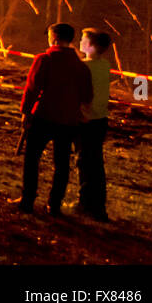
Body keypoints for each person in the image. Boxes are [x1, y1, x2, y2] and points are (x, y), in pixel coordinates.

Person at [18, 22, 93, 216]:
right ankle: (54, 204)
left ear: (55, 38)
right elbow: (87, 96)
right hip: (68, 121)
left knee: (32, 159)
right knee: (61, 164)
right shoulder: (81, 67)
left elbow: (32, 88)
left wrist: (26, 112)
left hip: (43, 116)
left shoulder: (44, 59)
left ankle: (27, 200)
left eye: (50, 37)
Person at [76, 28, 113, 222]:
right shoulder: (104, 65)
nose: (80, 42)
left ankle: (85, 204)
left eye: (83, 39)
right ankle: (98, 205)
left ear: (91, 45)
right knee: (96, 163)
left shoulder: (84, 67)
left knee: (85, 162)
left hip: (86, 119)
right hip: (101, 119)